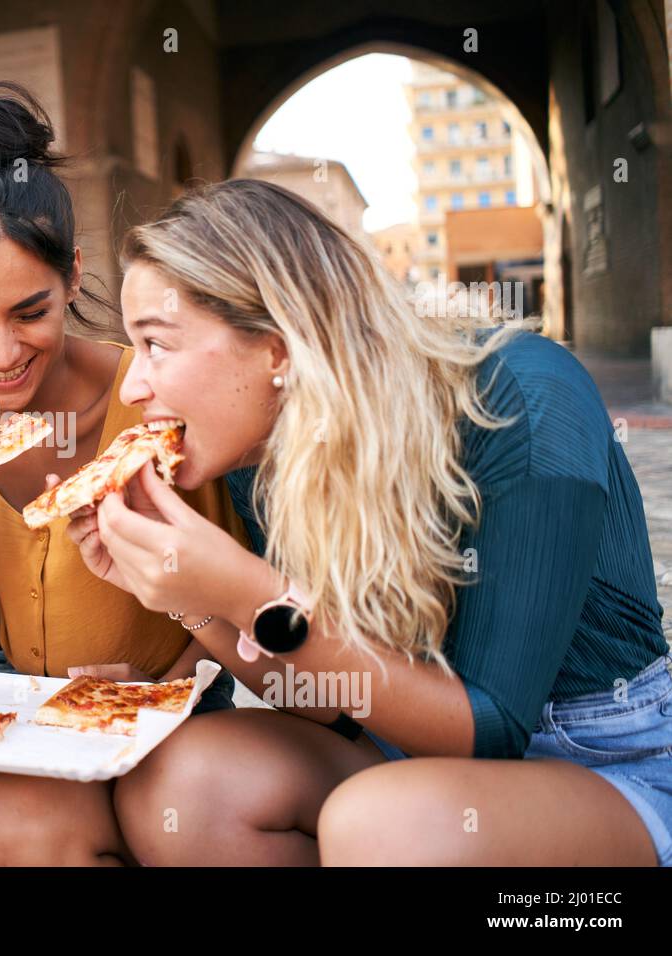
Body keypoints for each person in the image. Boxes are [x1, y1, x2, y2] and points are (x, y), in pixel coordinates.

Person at [68, 177, 671, 866]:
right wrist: (195, 602)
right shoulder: (256, 452)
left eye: (156, 344)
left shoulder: (527, 399)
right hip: (406, 753)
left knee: (380, 825)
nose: (131, 386)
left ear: (278, 348)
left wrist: (249, 595)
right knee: (183, 783)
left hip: (601, 762)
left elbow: (494, 728)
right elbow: (326, 703)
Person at [0, 83, 248, 866]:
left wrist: (160, 682)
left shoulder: (159, 399)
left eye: (30, 312)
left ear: (74, 277)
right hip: (19, 696)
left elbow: (244, 602)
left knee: (20, 823)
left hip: (172, 699)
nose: (0, 354)